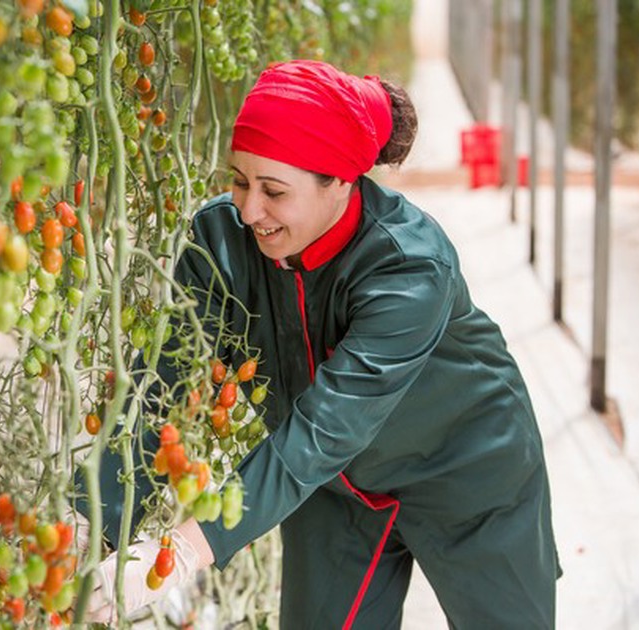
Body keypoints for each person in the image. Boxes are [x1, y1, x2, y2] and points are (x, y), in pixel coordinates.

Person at [77, 59, 561, 628]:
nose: (249, 209)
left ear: (339, 182)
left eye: (274, 191)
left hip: (466, 477)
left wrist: (181, 552)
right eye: (239, 180)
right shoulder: (220, 242)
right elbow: (166, 382)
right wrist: (92, 519)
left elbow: (324, 428)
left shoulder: (408, 268)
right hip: (335, 492)